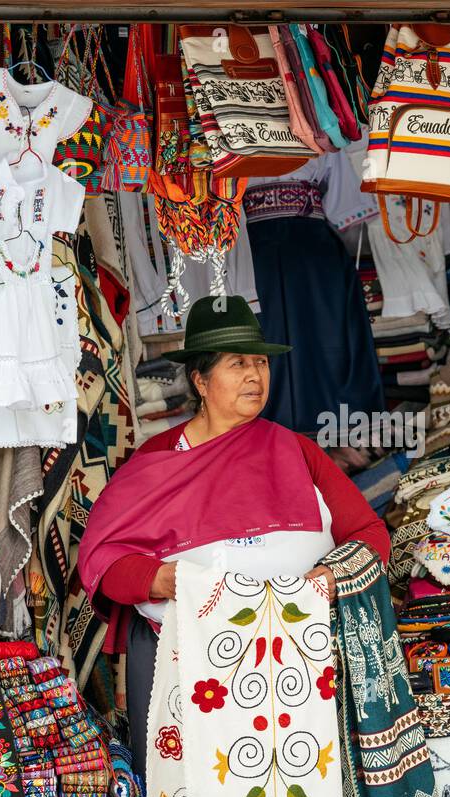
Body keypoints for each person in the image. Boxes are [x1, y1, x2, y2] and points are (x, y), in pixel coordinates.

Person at [78, 294, 390, 772]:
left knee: (288, 794)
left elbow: (369, 533)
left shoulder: (295, 450)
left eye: (261, 363)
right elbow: (105, 561)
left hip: (294, 660)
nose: (255, 376)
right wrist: (168, 580)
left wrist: (327, 580)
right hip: (187, 660)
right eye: (238, 363)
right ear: (200, 380)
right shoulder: (157, 461)